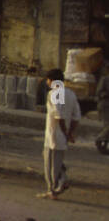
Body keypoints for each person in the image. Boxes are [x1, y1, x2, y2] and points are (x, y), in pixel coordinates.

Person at [40, 68, 80, 199]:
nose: (47, 82)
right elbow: (76, 117)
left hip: (54, 135)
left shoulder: (54, 93)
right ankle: (60, 182)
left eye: (48, 80)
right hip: (61, 137)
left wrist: (66, 133)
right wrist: (70, 132)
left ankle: (53, 188)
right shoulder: (71, 94)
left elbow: (59, 116)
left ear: (52, 81)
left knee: (50, 165)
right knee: (57, 162)